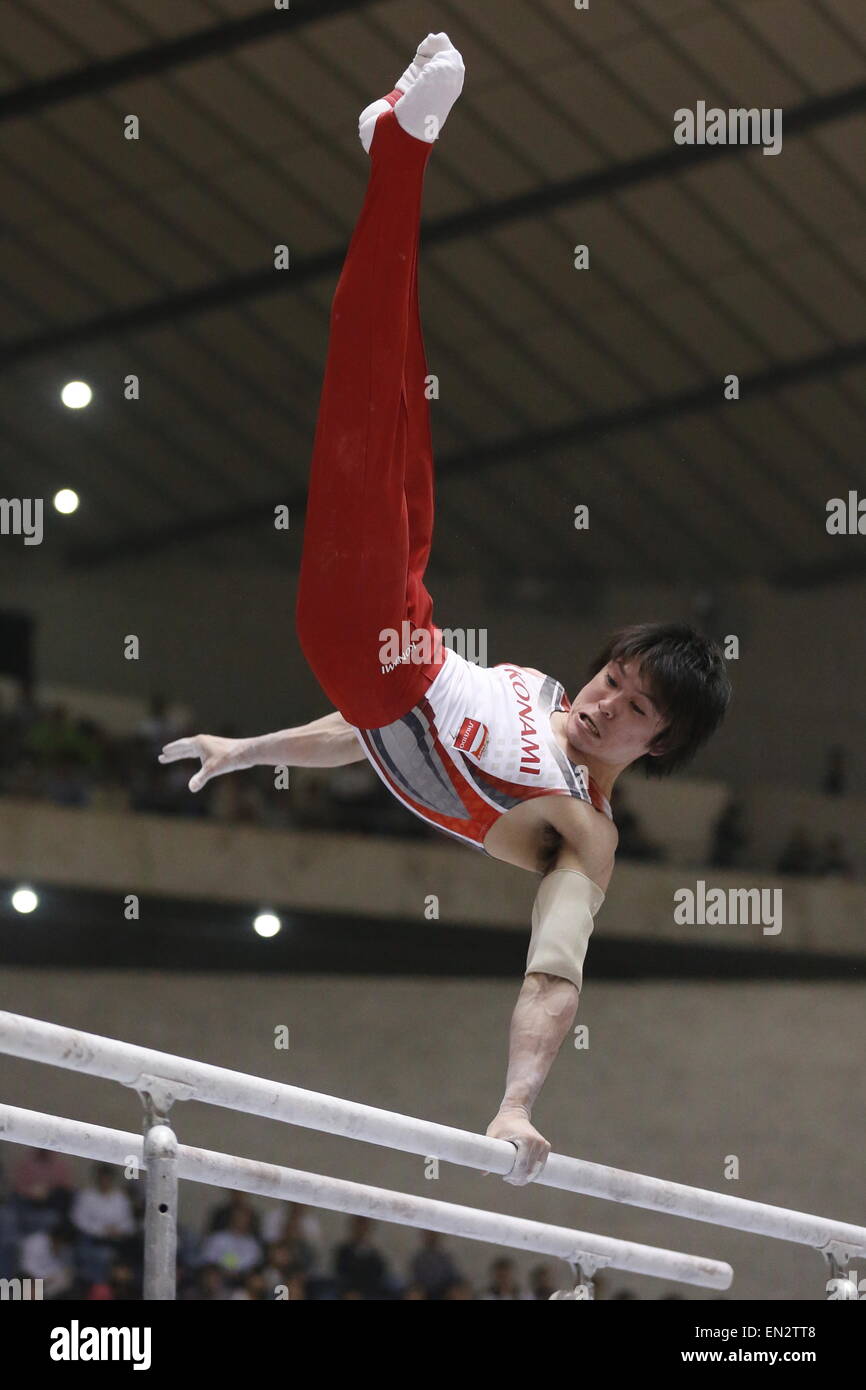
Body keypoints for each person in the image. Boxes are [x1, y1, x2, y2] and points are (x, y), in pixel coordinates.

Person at [159, 34, 731, 1189]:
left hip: (371, 641)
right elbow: (371, 728)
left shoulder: (581, 828)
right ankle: (390, 149)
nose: (600, 698)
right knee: (401, 393)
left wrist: (513, 1104)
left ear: (654, 747)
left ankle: (405, 148)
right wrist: (251, 747)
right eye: (610, 676)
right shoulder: (524, 688)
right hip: (394, 644)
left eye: (629, 708)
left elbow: (551, 973)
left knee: (368, 390)